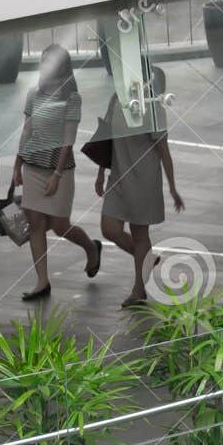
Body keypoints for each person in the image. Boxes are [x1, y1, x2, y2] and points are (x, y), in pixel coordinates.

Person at [12, 43, 101, 303]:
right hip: (32, 166)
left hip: (57, 170)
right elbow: (27, 131)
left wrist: (57, 174)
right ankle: (42, 281)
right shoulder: (34, 94)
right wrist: (17, 165)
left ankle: (90, 248)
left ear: (62, 67)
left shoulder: (71, 98)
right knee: (36, 224)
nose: (44, 66)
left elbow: (68, 140)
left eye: (49, 62)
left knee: (60, 225)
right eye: (43, 61)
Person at [95, 84, 184, 308]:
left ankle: (139, 288)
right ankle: (145, 259)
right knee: (110, 229)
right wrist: (100, 172)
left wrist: (172, 187)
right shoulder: (116, 98)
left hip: (143, 179)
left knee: (139, 233)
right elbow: (106, 137)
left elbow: (164, 149)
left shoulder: (153, 105)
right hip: (117, 175)